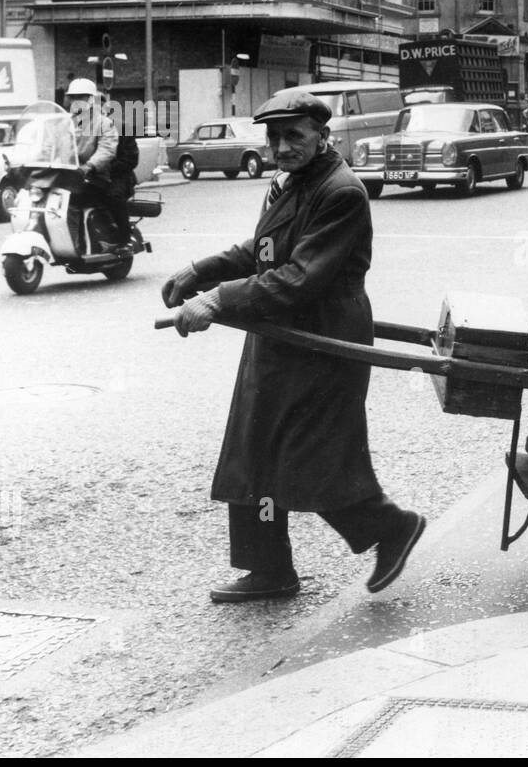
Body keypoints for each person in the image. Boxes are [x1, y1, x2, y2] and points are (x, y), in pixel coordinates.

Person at [161, 91, 426, 602]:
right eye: (274, 137)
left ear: (323, 136)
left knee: (312, 456)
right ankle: (268, 569)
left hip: (324, 339)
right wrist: (202, 270)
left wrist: (218, 299)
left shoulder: (341, 192)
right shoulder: (289, 182)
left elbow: (301, 278)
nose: (281, 147)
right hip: (280, 333)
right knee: (253, 447)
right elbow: (262, 251)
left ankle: (390, 528)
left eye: (294, 136)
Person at [65, 78, 129, 250]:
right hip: (67, 176)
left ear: (91, 99)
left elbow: (107, 150)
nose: (76, 101)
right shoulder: (65, 123)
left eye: (82, 97)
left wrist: (89, 166)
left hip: (94, 177)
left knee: (72, 201)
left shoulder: (103, 123)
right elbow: (52, 145)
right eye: (73, 97)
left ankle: (76, 245)